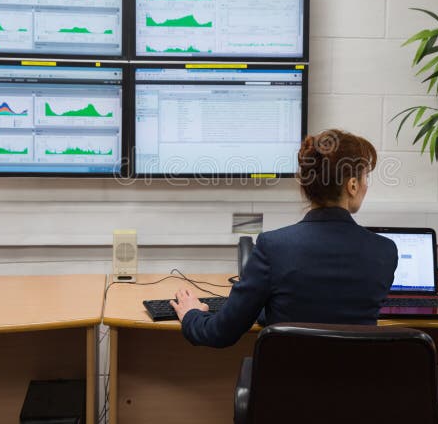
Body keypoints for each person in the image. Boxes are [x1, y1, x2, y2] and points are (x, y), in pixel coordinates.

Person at [170, 129, 398, 348]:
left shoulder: (273, 247)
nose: (366, 185)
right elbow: (334, 306)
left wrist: (191, 314)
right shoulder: (384, 252)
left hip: (287, 386)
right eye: (365, 177)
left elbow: (219, 333)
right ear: (352, 185)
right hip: (359, 386)